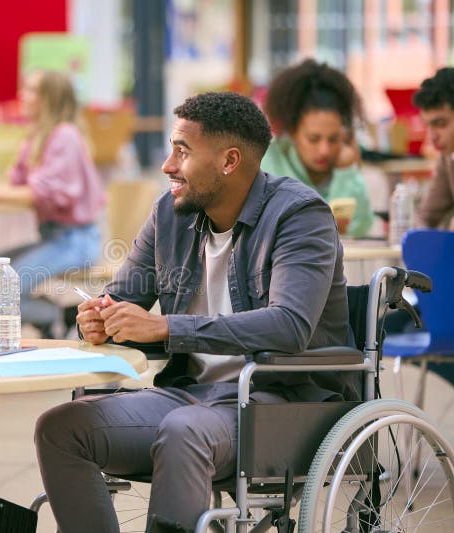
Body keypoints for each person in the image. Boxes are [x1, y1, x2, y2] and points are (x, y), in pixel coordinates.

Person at [34, 92, 356, 532]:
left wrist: (167, 327)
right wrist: (100, 320)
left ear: (229, 161)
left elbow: (290, 326)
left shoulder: (299, 215)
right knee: (62, 427)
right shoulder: (171, 214)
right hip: (190, 397)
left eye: (182, 152)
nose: (168, 164)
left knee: (185, 430)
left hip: (277, 403)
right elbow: (124, 299)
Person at [0, 70, 105, 338]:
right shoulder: (38, 137)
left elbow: (40, 193)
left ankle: (62, 316)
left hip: (74, 241)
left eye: (30, 90)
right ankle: (57, 316)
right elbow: (18, 183)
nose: (22, 96)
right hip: (52, 237)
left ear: (48, 99)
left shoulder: (65, 136)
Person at [260, 58, 375, 238]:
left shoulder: (345, 161)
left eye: (333, 138)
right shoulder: (268, 161)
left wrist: (345, 173)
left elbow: (359, 227)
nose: (325, 150)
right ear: (291, 131)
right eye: (313, 139)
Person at [413, 66, 454, 230]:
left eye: (440, 124)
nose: (432, 137)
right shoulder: (448, 159)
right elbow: (427, 215)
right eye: (428, 126)